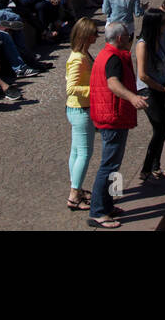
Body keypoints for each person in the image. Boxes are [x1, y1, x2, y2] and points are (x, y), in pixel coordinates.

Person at [87, 21, 147, 228]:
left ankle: (109, 203)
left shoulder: (107, 54)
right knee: (109, 164)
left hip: (112, 115)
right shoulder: (113, 57)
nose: (130, 41)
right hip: (112, 116)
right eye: (128, 38)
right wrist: (132, 97)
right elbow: (113, 83)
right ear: (120, 38)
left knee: (114, 163)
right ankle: (98, 211)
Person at [134, 8, 165, 183]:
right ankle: (146, 169)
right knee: (160, 129)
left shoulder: (157, 40)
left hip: (160, 88)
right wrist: (159, 87)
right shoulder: (143, 44)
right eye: (163, 22)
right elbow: (142, 74)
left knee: (163, 129)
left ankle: (155, 166)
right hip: (149, 90)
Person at [64, 18, 97, 212]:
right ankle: (74, 194)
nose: (96, 37)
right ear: (85, 36)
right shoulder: (78, 58)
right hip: (81, 110)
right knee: (84, 153)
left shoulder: (80, 54)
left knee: (76, 152)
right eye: (93, 34)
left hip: (76, 109)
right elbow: (71, 88)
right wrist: (95, 90)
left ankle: (76, 187)